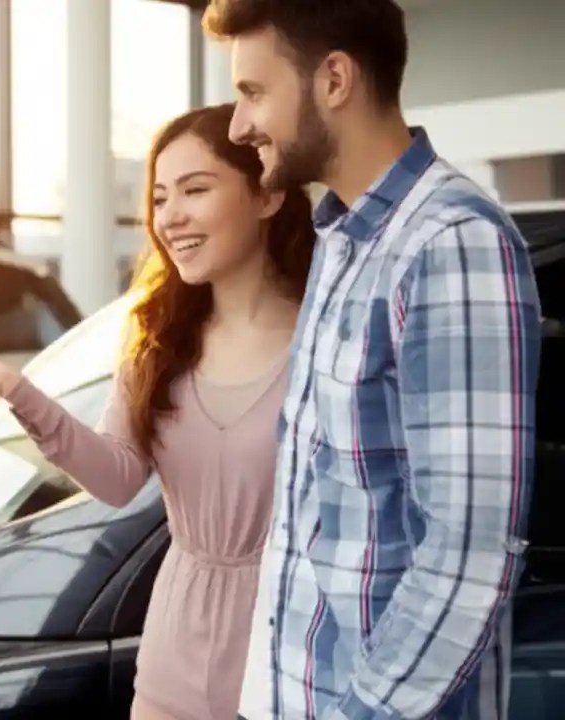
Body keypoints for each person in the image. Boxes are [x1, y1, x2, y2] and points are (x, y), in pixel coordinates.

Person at [0, 102, 315, 719]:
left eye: (195, 190)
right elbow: (118, 479)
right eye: (159, 198)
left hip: (289, 665)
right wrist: (14, 389)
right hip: (171, 666)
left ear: (267, 196)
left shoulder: (324, 339)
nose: (170, 217)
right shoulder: (159, 340)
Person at [200, 1, 543, 718]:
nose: (238, 126)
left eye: (253, 92)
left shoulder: (450, 242)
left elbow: (468, 556)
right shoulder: (344, 237)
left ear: (334, 80)